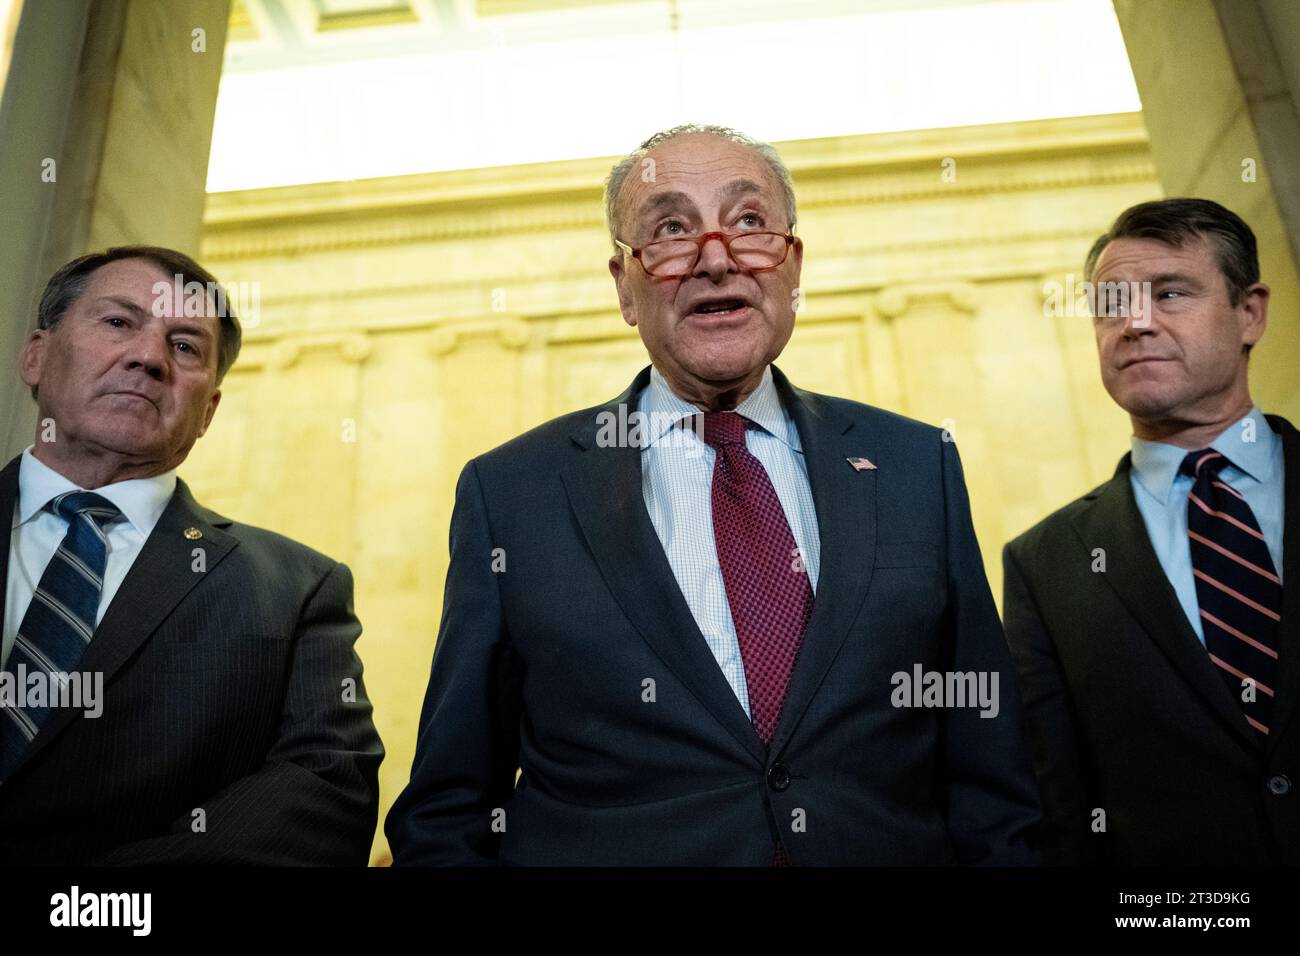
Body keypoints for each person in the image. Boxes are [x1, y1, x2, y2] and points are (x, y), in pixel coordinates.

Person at [387, 124, 1040, 865]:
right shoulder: (512, 494)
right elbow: (449, 803)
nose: (717, 257)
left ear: (793, 266)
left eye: (750, 221)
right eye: (670, 230)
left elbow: (992, 765)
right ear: (625, 286)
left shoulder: (917, 463)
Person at [0, 246, 383, 864]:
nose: (149, 358)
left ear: (208, 410)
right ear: (37, 355)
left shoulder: (297, 589)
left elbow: (325, 788)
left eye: (185, 347)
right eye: (119, 322)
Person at [1003, 198, 1299, 865]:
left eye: (1170, 294)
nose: (1134, 324)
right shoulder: (1045, 564)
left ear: (1249, 312)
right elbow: (1059, 807)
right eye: (1110, 304)